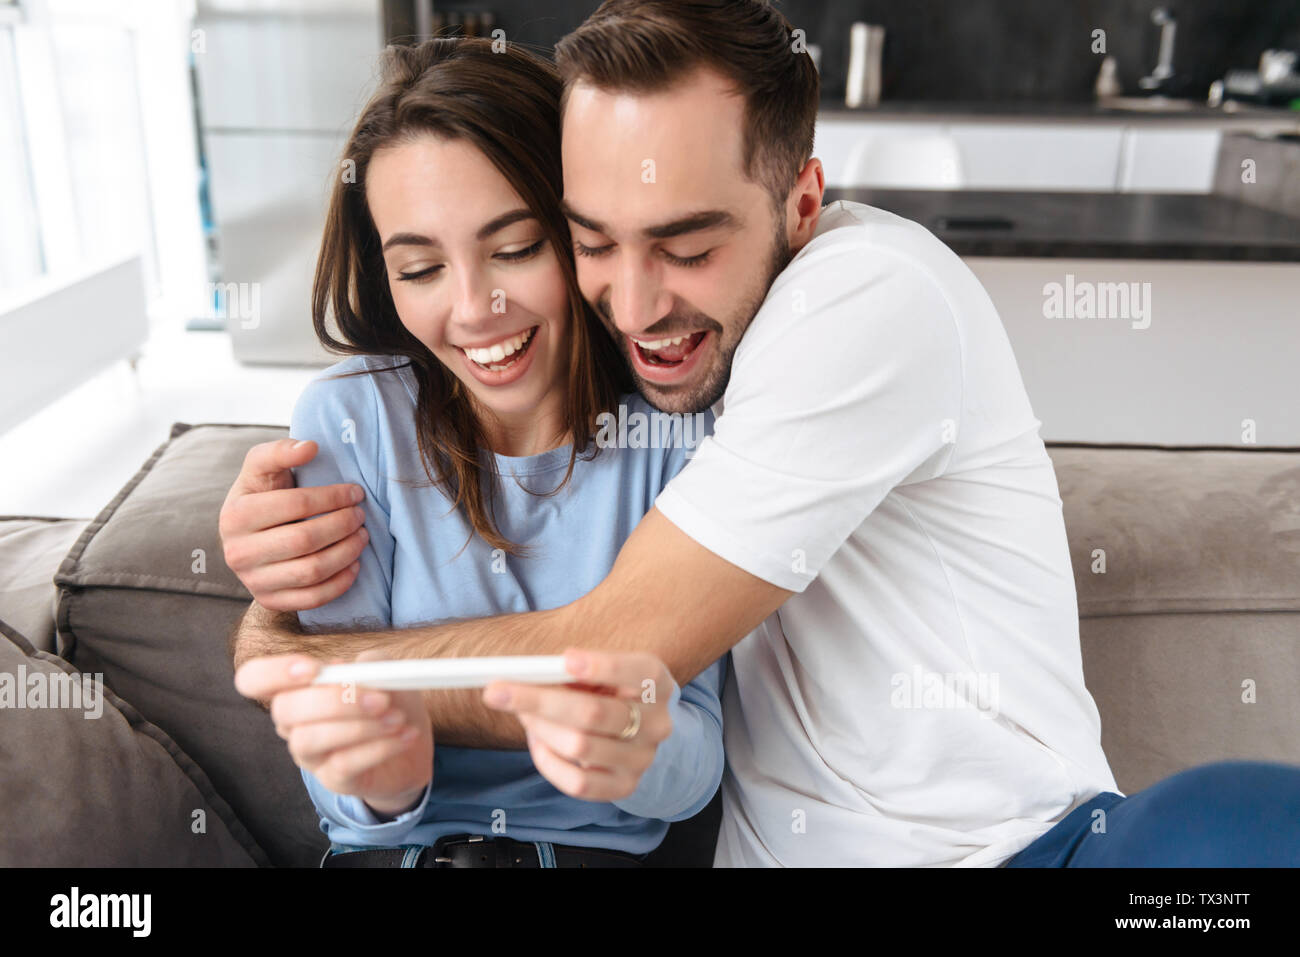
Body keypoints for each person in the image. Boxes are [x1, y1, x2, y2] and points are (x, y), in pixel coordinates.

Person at [228, 0, 1300, 867]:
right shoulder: (656, 394)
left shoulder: (860, 297)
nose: (636, 306)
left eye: (686, 245)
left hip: (1025, 849)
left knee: (1230, 831)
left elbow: (617, 659)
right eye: (595, 241)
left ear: (799, 204)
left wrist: (283, 653)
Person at [228, 35, 725, 868]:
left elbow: (697, 765)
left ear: (584, 231)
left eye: (516, 248)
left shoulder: (679, 433)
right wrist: (383, 773)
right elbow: (336, 760)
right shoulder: (350, 422)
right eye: (419, 266)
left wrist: (638, 743)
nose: (473, 308)